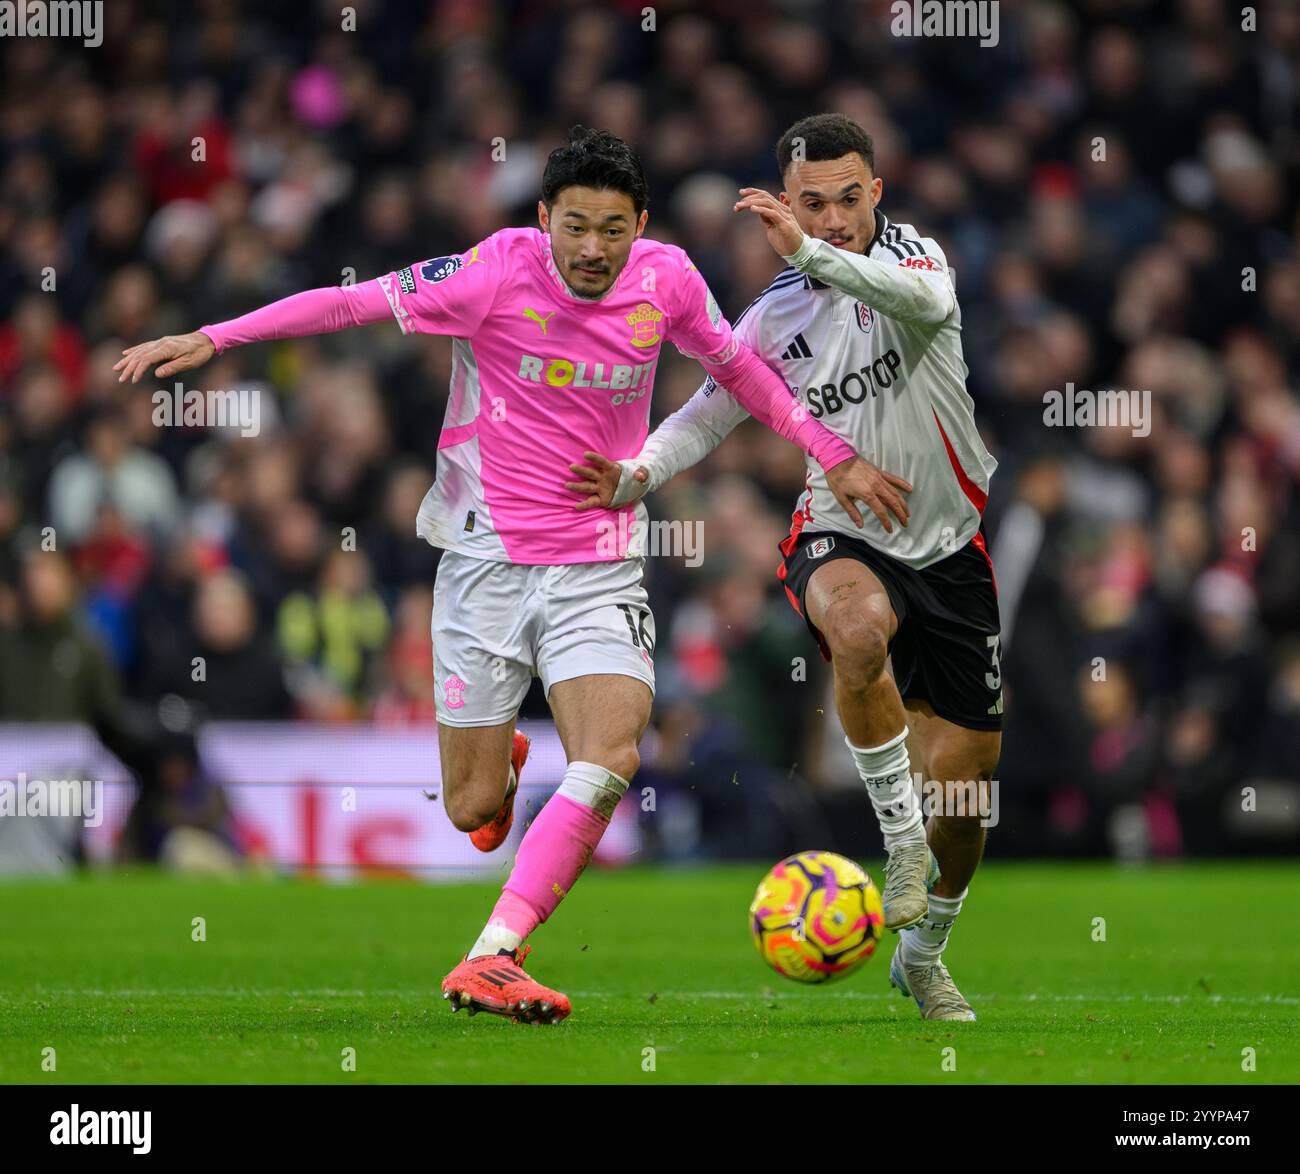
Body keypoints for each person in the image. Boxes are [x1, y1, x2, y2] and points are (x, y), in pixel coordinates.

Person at [115, 125, 890, 1025]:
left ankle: (495, 952)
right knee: (472, 807)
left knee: (610, 756)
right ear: (544, 217)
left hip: (598, 558)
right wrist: (216, 336)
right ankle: (502, 767)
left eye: (613, 229)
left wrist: (830, 451)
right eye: (575, 227)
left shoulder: (668, 280)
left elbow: (740, 372)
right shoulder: (491, 271)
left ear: (641, 225)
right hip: (482, 561)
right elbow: (349, 304)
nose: (593, 249)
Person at [571, 114, 1002, 1020]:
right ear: (785, 202)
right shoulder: (776, 315)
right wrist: (639, 473)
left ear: (876, 192)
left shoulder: (918, 261)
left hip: (951, 551)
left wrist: (811, 252)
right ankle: (900, 846)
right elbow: (711, 409)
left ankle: (924, 953)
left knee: (964, 801)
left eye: (848, 199)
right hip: (841, 532)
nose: (833, 219)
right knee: (857, 630)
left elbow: (923, 307)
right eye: (812, 204)